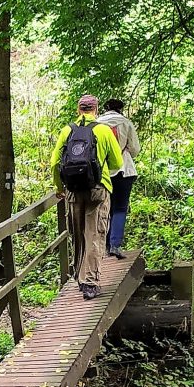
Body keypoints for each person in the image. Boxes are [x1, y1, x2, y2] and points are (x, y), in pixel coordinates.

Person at [49, 94, 123, 300]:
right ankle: (90, 283)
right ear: (96, 110)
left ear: (78, 110)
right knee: (95, 234)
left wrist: (59, 187)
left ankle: (80, 277)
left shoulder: (67, 131)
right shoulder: (104, 130)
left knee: (79, 234)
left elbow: (55, 163)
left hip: (73, 191)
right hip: (98, 190)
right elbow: (117, 163)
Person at [98, 97, 141, 257]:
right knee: (120, 208)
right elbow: (135, 149)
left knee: (104, 208)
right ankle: (115, 245)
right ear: (120, 109)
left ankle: (104, 244)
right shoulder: (126, 123)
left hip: (102, 172)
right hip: (124, 170)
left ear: (105, 109)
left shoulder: (96, 124)